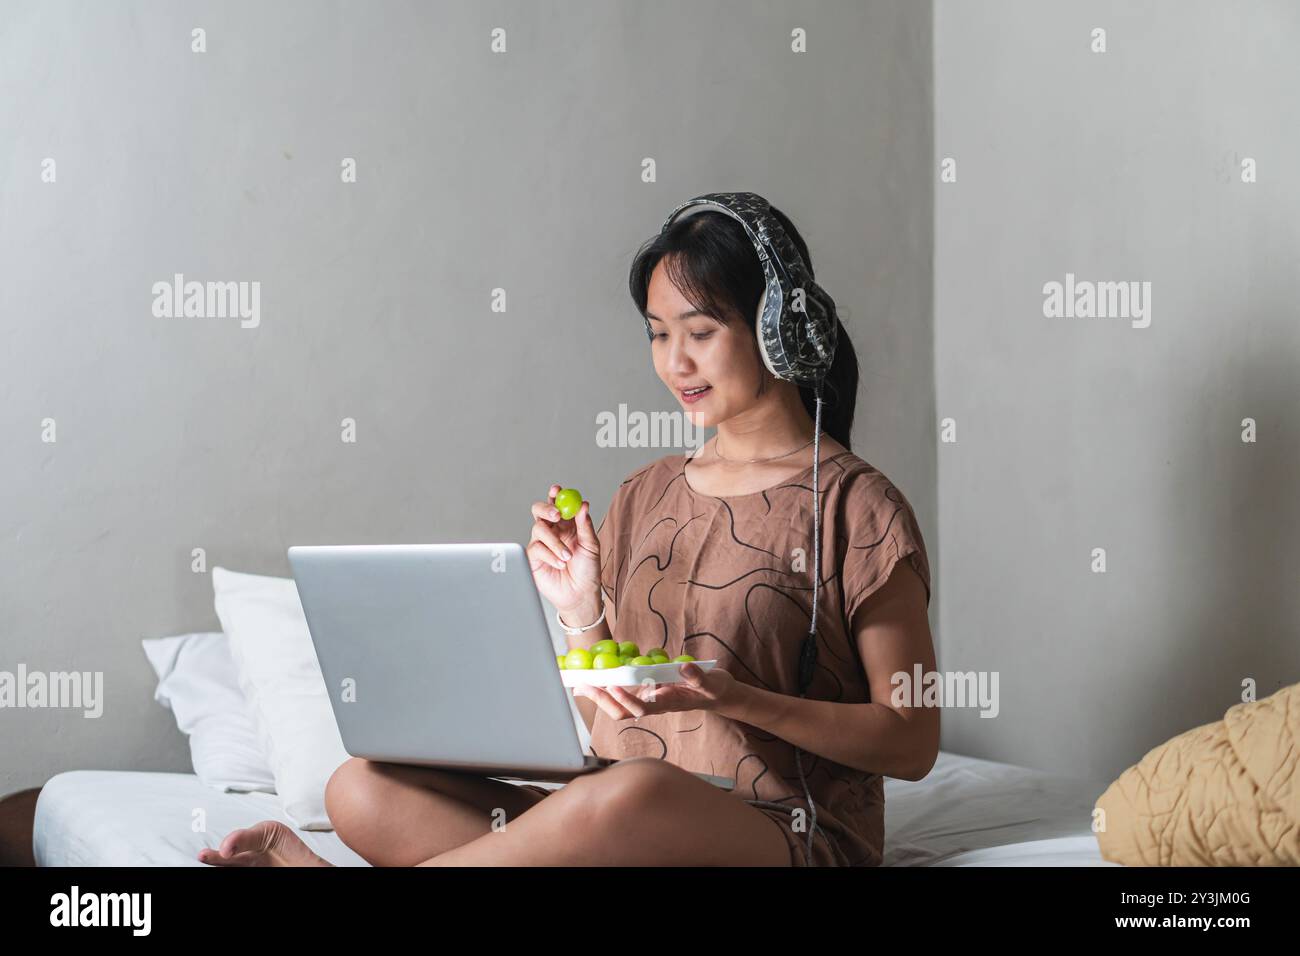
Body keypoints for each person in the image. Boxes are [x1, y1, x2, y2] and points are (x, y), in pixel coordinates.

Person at [198, 200, 938, 867]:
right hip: (616, 813)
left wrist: (733, 699)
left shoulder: (858, 507)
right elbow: (604, 723)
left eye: (701, 332)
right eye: (657, 335)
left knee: (633, 797)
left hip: (783, 830)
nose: (674, 363)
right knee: (362, 786)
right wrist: (580, 612)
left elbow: (913, 740)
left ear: (779, 327)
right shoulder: (645, 492)